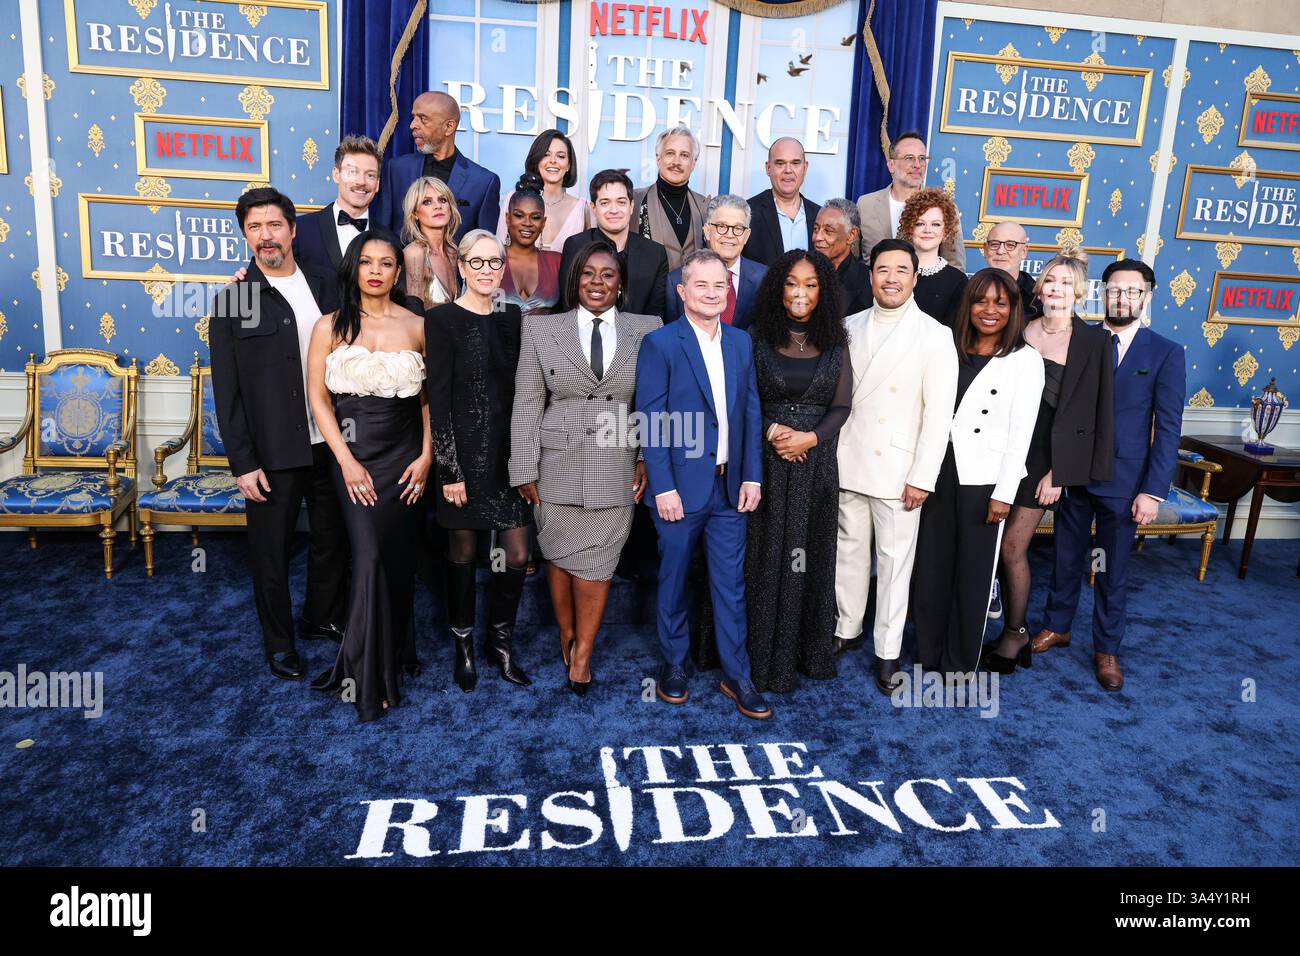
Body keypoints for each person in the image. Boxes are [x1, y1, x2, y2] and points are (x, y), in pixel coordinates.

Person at [208, 187, 347, 681]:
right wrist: (243, 462)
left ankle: (320, 617)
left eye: (274, 225)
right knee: (271, 550)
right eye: (254, 228)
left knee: (332, 538)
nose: (266, 236)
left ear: (292, 230)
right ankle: (279, 642)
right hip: (273, 449)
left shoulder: (328, 284)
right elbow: (228, 392)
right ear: (245, 235)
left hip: (331, 441)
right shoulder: (236, 299)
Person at [510, 241, 660, 695]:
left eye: (608, 274)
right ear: (574, 280)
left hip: (616, 464)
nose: (598, 282)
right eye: (588, 274)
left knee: (599, 564)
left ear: (622, 284)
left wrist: (644, 457)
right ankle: (565, 632)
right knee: (558, 555)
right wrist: (523, 467)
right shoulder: (542, 331)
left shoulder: (648, 328)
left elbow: (652, 402)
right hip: (556, 463)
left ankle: (583, 654)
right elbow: (529, 401)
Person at [1032, 259, 1184, 691]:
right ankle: (1057, 626)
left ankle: (1106, 647)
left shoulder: (1165, 353)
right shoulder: (1080, 339)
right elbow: (1061, 414)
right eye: (1114, 290)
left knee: (1111, 568)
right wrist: (1057, 468)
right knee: (1065, 555)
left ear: (1146, 297)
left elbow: (1168, 427)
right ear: (1102, 293)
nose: (1121, 298)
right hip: (1074, 472)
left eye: (1132, 291)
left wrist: (1153, 492)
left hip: (1124, 482)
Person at [636, 249, 770, 719]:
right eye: (701, 286)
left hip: (728, 488)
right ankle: (675, 664)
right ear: (682, 291)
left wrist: (751, 473)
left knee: (730, 585)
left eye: (720, 286)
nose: (712, 294)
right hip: (678, 489)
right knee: (673, 580)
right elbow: (651, 420)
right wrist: (663, 487)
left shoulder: (740, 343)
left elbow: (750, 412)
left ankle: (738, 674)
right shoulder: (662, 344)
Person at [305, 231, 429, 721]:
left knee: (397, 557)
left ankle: (396, 653)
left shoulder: (419, 326)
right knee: (370, 555)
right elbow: (318, 399)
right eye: (367, 262)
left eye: (387, 263)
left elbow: (429, 400)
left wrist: (426, 457)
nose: (376, 271)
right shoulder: (328, 326)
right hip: (354, 458)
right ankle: (367, 675)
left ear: (398, 272)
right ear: (354, 269)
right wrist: (346, 460)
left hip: (405, 456)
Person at [833, 238, 958, 694]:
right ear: (871, 276)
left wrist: (923, 476)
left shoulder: (934, 335)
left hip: (900, 473)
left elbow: (939, 415)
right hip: (850, 461)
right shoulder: (846, 326)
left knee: (894, 563)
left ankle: (887, 650)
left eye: (900, 271)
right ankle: (847, 628)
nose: (891, 279)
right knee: (848, 554)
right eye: (882, 270)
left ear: (914, 276)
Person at [983, 249, 1114, 673]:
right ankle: (976, 627)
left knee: (1012, 548)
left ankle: (1015, 633)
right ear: (1040, 286)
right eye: (1050, 280)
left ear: (1078, 290)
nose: (1055, 288)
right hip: (1001, 448)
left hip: (1044, 462)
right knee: (984, 545)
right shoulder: (1019, 328)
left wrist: (1059, 473)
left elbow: (1096, 414)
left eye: (1064, 281)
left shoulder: (1094, 341)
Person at [912, 269, 1044, 675]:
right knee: (931, 569)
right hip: (936, 471)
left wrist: (1005, 492)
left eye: (1000, 303)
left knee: (972, 576)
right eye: (981, 301)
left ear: (1013, 310)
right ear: (967, 305)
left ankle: (958, 662)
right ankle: (927, 654)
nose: (989, 310)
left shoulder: (1025, 360)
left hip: (984, 480)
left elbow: (1022, 434)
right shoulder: (946, 347)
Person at [426, 230, 533, 691]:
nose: (487, 270)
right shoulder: (442, 319)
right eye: (478, 262)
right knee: (464, 553)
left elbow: (527, 391)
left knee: (518, 553)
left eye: (495, 262)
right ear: (462, 266)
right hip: (463, 460)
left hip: (509, 459)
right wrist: (449, 470)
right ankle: (464, 645)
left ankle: (501, 643)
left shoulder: (513, 319)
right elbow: (439, 399)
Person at [743, 249, 853, 693]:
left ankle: (801, 654)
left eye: (810, 284)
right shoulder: (753, 337)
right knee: (761, 558)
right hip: (765, 464)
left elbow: (842, 406)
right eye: (792, 283)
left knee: (808, 558)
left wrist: (810, 438)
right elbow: (742, 400)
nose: (800, 292)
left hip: (815, 467)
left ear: (822, 291)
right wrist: (772, 430)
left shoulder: (837, 341)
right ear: (778, 288)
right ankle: (755, 656)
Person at [374, 90, 500, 240]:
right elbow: (381, 234)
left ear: (449, 127)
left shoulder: (483, 182)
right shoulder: (396, 170)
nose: (412, 125)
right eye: (414, 117)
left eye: (423, 118)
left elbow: (484, 247)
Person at [558, 169, 669, 319]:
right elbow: (568, 305)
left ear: (631, 206)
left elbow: (656, 316)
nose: (614, 210)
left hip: (639, 339)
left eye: (621, 202)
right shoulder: (576, 245)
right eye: (605, 203)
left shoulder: (655, 253)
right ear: (593, 208)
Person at [856, 130, 965, 269]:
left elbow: (954, 263)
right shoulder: (866, 204)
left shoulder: (943, 207)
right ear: (891, 165)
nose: (917, 165)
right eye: (909, 158)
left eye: (922, 158)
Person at [664, 194, 767, 328]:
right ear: (707, 231)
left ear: (746, 236)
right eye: (721, 226)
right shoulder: (676, 280)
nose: (730, 235)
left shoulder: (764, 278)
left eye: (738, 228)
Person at [292, 135, 383, 276]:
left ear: (377, 184)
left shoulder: (388, 239)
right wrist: (244, 285)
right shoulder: (300, 230)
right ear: (336, 175)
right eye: (352, 172)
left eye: (370, 175)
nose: (361, 181)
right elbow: (264, 277)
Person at [495, 128, 592, 252]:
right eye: (546, 155)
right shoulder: (513, 199)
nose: (553, 161)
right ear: (537, 161)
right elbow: (499, 248)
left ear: (568, 165)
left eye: (560, 156)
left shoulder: (583, 209)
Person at [634, 125, 710, 271]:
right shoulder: (635, 202)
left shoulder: (705, 207)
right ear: (658, 158)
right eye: (670, 153)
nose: (676, 162)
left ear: (693, 163)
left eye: (684, 155)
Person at [746, 137, 821, 267]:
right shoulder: (747, 213)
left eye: (795, 163)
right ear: (768, 168)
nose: (788, 170)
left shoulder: (820, 215)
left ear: (805, 167)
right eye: (780, 163)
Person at [900, 187, 968, 328]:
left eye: (936, 224)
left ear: (946, 230)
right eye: (920, 223)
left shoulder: (957, 281)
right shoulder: (894, 272)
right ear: (909, 228)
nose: (927, 230)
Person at [500, 174, 563, 315]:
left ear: (543, 223)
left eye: (535, 217)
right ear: (507, 218)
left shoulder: (557, 262)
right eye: (519, 215)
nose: (527, 223)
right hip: (495, 337)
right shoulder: (492, 259)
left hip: (545, 336)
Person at [401, 177, 461, 309]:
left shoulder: (452, 252)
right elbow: (414, 315)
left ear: (450, 208)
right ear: (415, 213)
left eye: (443, 200)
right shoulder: (415, 253)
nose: (437, 206)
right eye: (427, 202)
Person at [811, 199, 872, 316]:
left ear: (851, 235)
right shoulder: (801, 272)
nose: (817, 237)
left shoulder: (868, 282)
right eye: (815, 229)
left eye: (828, 231)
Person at [983, 221, 1041, 319]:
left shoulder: (1038, 298)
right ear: (985, 249)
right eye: (994, 244)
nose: (1001, 251)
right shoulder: (967, 290)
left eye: (1010, 245)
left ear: (1024, 251)